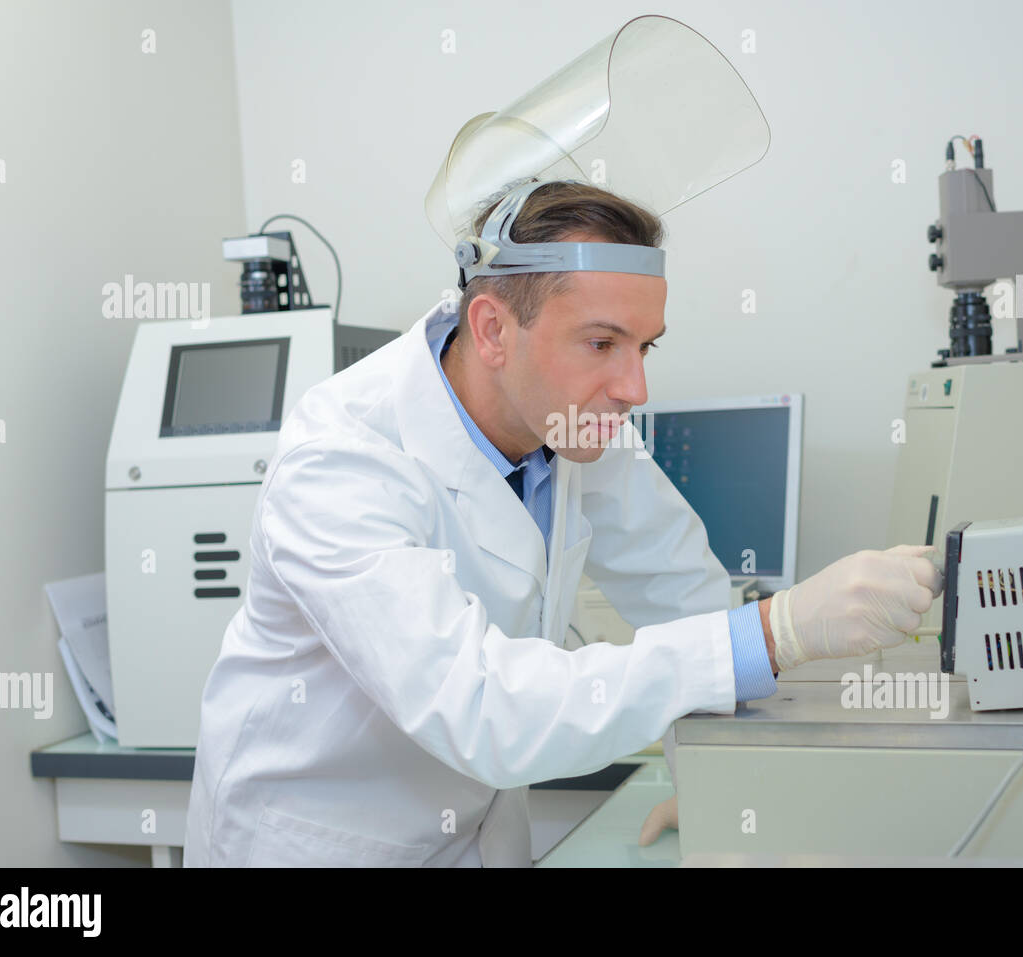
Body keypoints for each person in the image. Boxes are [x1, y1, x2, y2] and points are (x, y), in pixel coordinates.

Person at [184, 180, 943, 867]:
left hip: (476, 838)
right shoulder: (343, 459)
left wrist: (717, 782)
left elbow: (688, 597)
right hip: (314, 847)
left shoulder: (572, 425)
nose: (634, 387)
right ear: (491, 330)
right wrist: (781, 630)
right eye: (602, 343)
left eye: (645, 347)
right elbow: (481, 705)